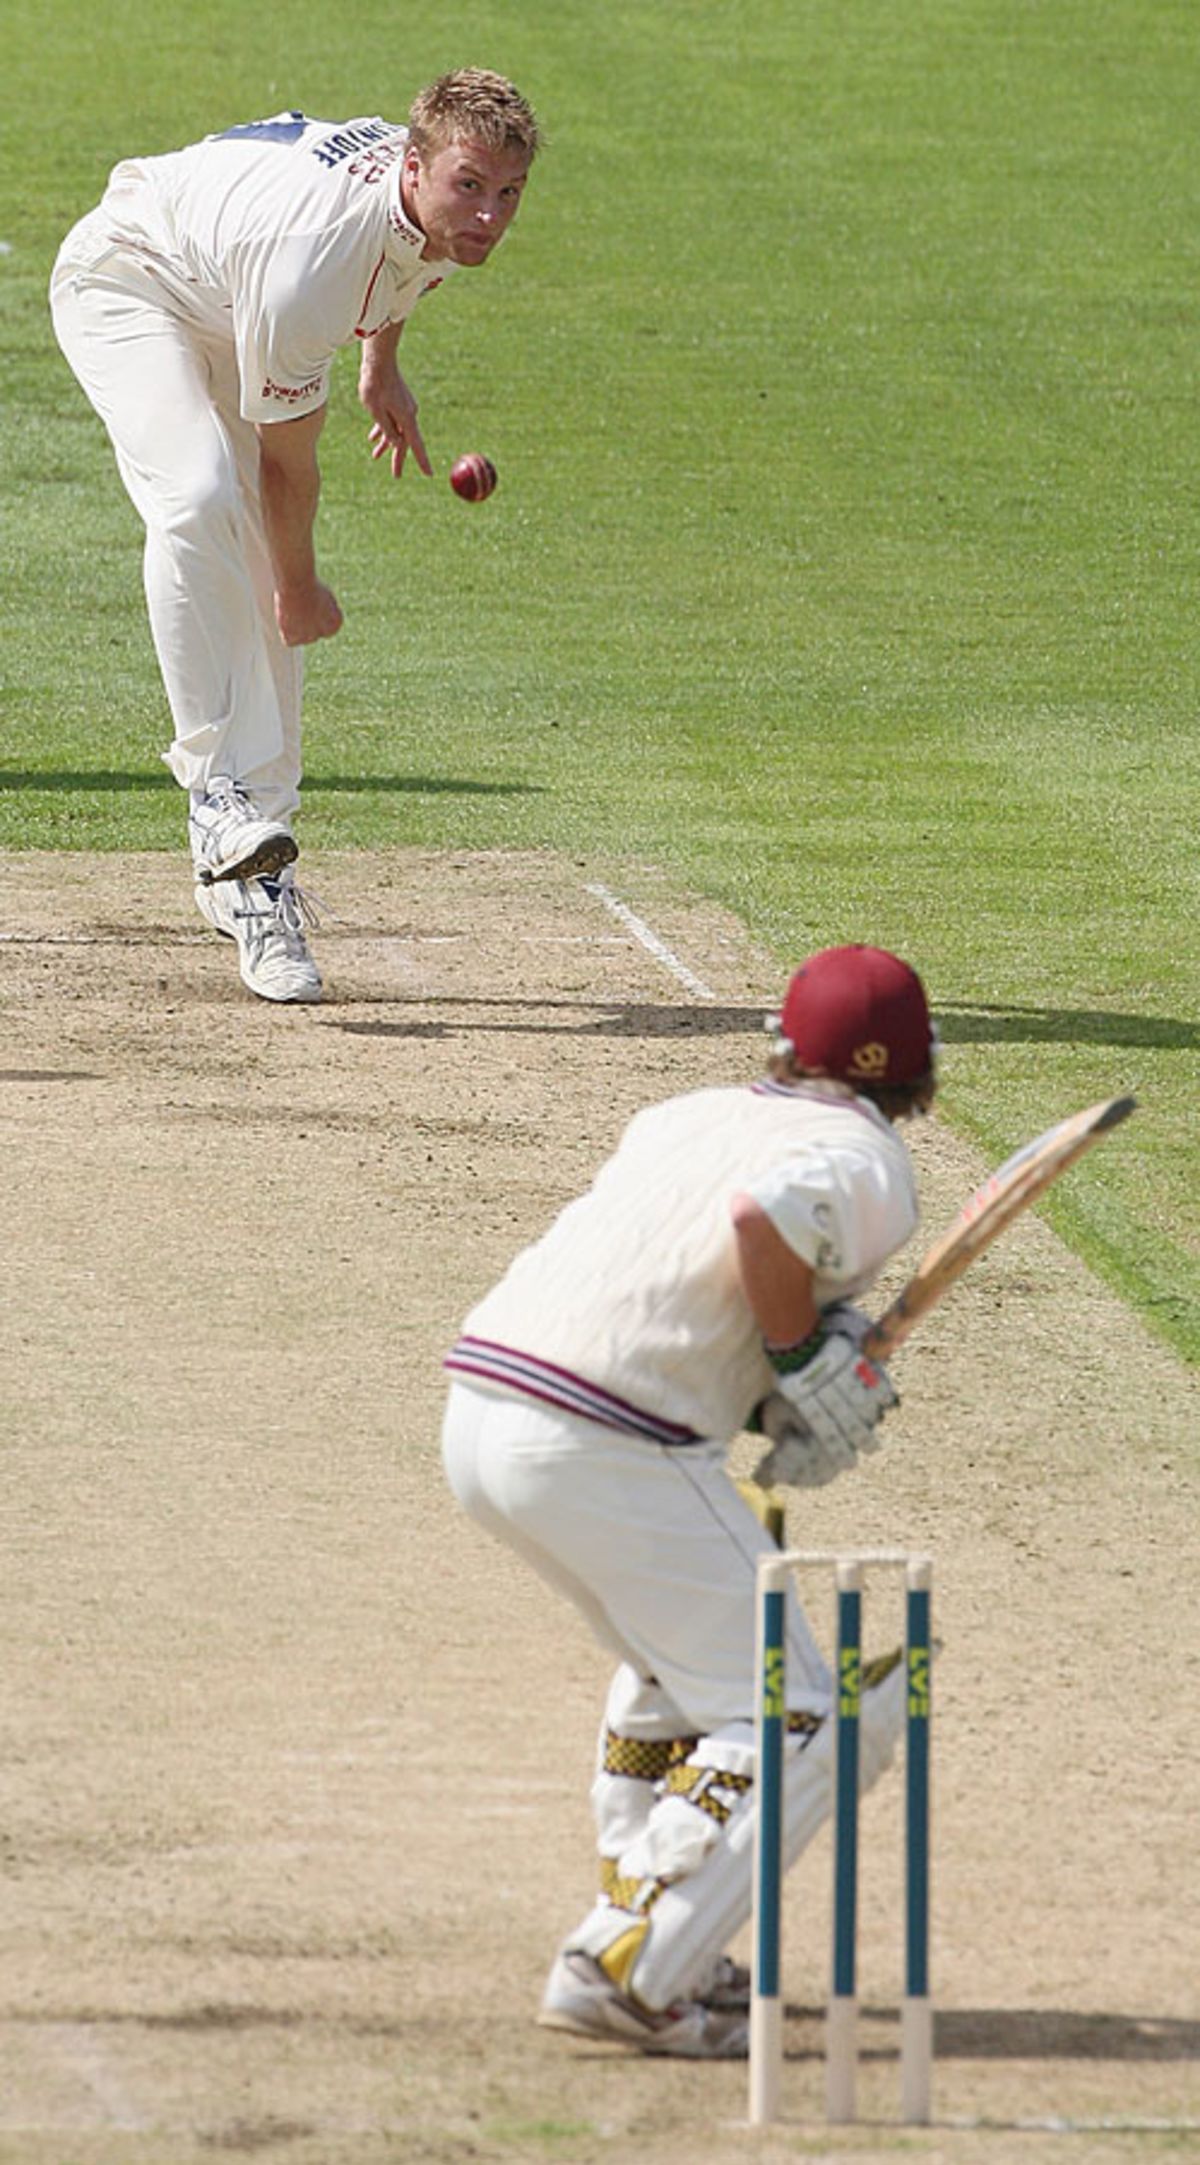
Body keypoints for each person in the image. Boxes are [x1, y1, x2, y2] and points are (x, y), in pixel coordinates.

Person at [441, 944, 937, 2058]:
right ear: (918, 1066)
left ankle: (663, 1924)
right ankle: (628, 1964)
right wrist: (800, 1358)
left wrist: (780, 1381)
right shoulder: (866, 1155)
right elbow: (765, 1220)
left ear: (784, 1040)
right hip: (604, 1442)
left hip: (484, 1412)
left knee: (685, 1676)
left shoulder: (686, 1113)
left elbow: (683, 1276)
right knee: (800, 1715)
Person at [50, 71, 540, 1004]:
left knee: (264, 568)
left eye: (509, 193)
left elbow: (403, 266)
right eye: (471, 187)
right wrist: (300, 588)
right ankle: (214, 798)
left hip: (234, 296)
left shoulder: (436, 212)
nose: (489, 215)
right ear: (414, 165)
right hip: (129, 280)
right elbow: (287, 466)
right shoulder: (313, 262)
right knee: (202, 500)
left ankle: (254, 883)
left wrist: (379, 366)